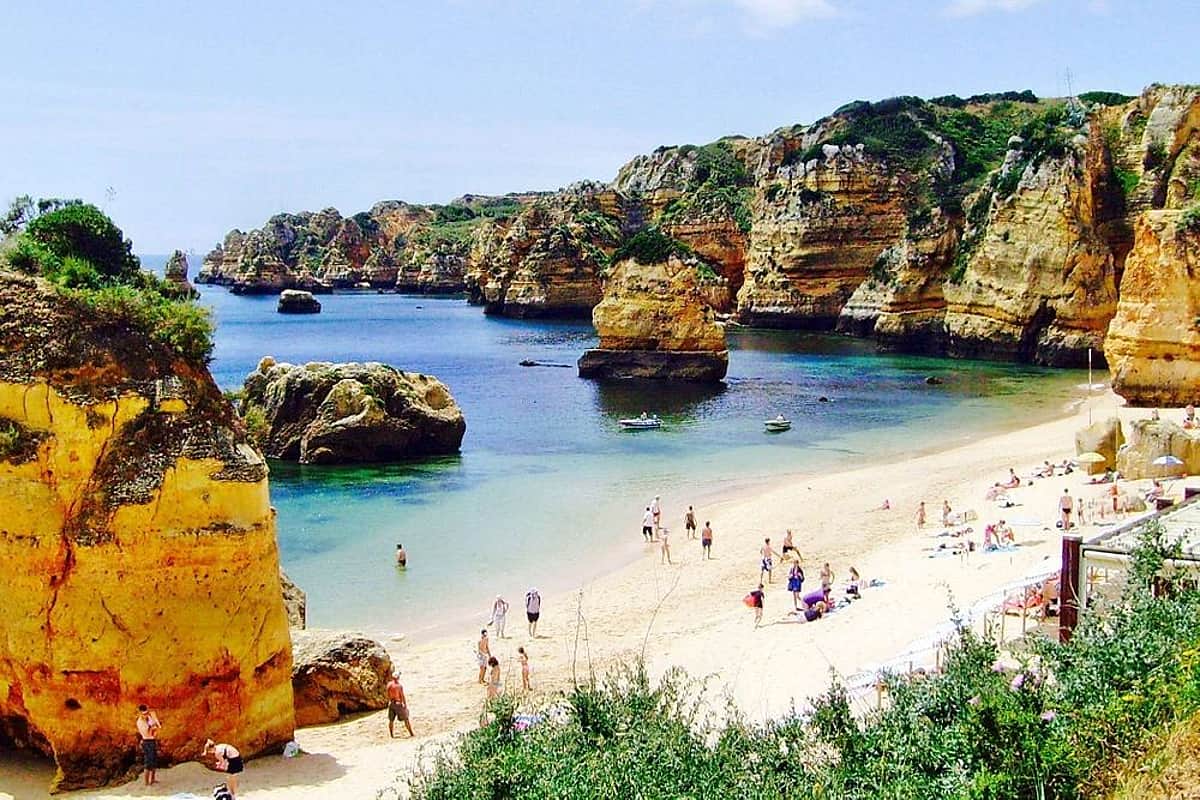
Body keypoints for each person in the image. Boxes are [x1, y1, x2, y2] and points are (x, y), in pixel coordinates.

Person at [135, 704, 161, 786]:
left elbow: (156, 728)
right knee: (148, 762)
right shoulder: (140, 722)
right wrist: (154, 727)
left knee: (154, 760)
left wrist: (154, 724)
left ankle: (152, 779)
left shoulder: (149, 717)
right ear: (140, 713)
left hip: (152, 741)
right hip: (147, 742)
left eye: (147, 713)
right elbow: (149, 733)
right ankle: (146, 783)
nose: (146, 715)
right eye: (144, 714)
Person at [386, 671, 413, 738]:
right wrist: (405, 705)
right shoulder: (399, 686)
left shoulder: (389, 684)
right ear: (398, 677)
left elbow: (387, 694)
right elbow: (402, 696)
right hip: (398, 704)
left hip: (391, 703)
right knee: (406, 719)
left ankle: (391, 735)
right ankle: (411, 733)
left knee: (391, 720)